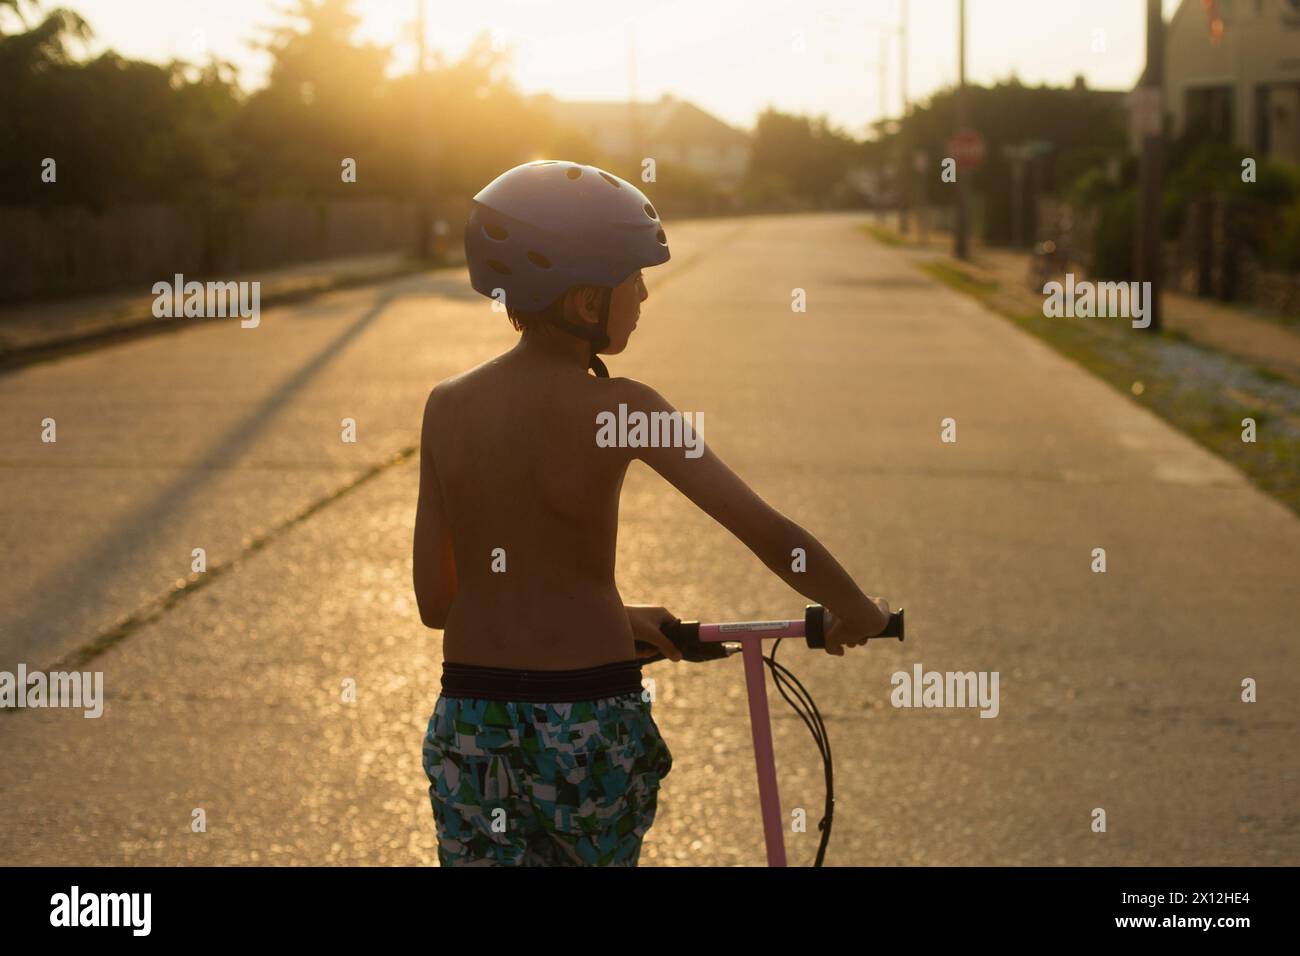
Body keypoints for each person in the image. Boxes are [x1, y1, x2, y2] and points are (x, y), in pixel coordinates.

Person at [414, 160, 892, 867]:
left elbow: (439, 601)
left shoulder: (446, 406)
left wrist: (609, 611)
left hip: (471, 718)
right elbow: (768, 532)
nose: (643, 293)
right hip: (586, 718)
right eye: (633, 277)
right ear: (583, 302)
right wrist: (855, 607)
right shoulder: (627, 410)